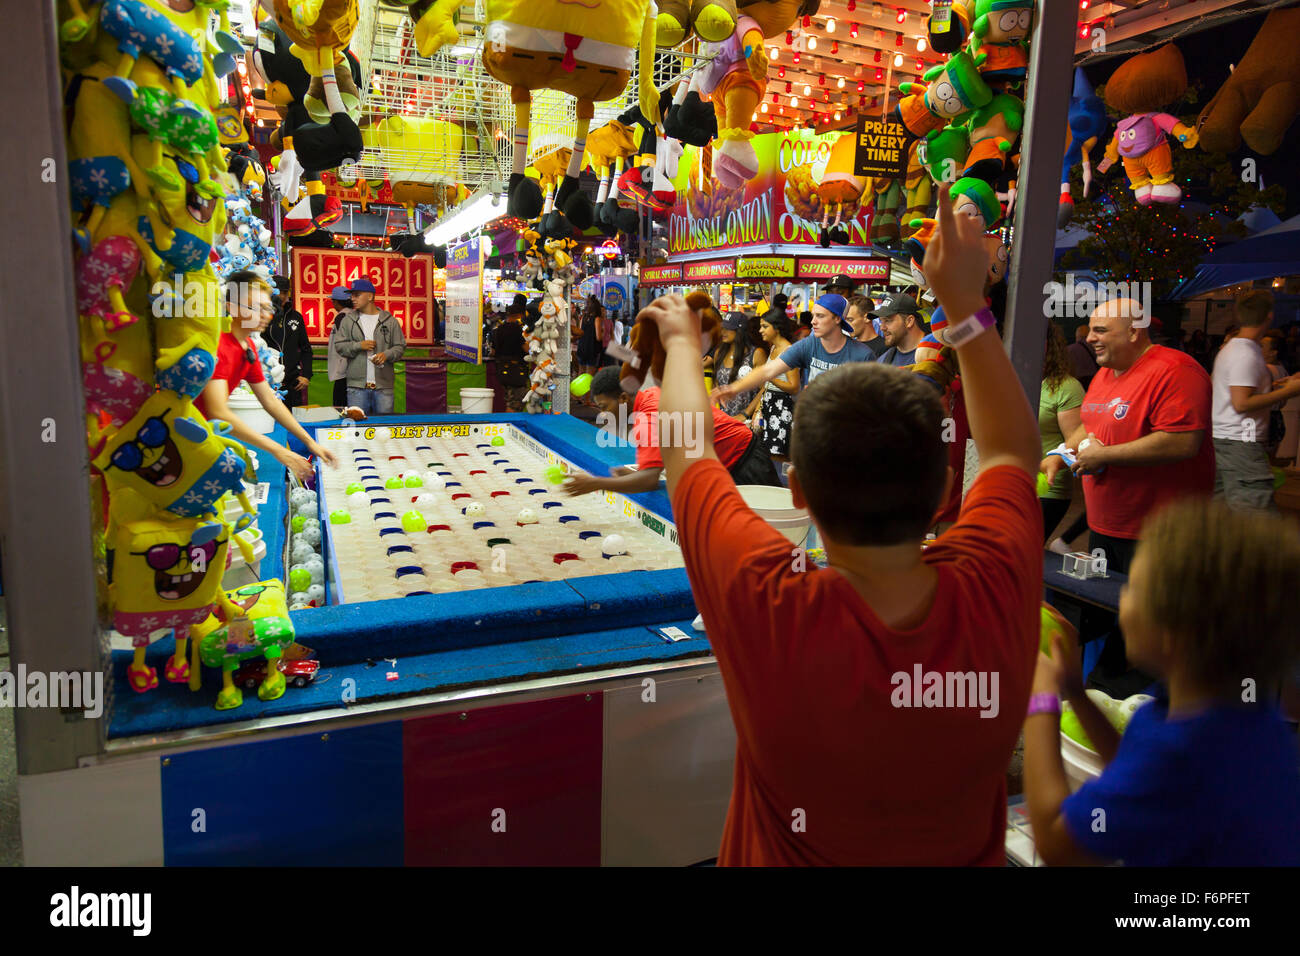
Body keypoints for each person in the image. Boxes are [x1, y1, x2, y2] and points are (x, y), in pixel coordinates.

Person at [635, 184, 1043, 864]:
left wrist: (680, 343)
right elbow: (1008, 452)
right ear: (945, 486)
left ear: (797, 491)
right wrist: (967, 305)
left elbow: (682, 448)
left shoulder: (769, 598)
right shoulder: (994, 585)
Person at [1024, 499, 1300, 865]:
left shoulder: (1179, 754)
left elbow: (1057, 844)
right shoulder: (1246, 717)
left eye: (1134, 588)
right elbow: (1131, 767)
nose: (1122, 598)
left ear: (1174, 633)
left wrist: (1040, 701)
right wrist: (1075, 692)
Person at [1041, 296, 1214, 576]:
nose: (1090, 338)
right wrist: (1060, 455)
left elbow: (1182, 442)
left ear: (1134, 331)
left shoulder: (1176, 370)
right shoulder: (1105, 374)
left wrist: (1104, 455)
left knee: (1150, 617)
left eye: (1101, 330)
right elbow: (1090, 424)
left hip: (1159, 532)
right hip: (1105, 526)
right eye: (1090, 330)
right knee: (1107, 611)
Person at [195, 270, 336, 481]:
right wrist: (279, 451)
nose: (266, 315)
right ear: (231, 307)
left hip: (204, 437)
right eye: (255, 308)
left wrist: (310, 443)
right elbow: (219, 412)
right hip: (182, 436)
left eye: (267, 307)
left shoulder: (248, 346)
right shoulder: (217, 344)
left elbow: (270, 399)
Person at [562, 366, 780, 496]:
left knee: (772, 523)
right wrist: (643, 472)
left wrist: (595, 484)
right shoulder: (650, 395)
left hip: (744, 458)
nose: (602, 415)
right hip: (727, 457)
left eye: (604, 407)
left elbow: (649, 481)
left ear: (623, 398)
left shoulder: (647, 420)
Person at [1210, 290, 1300, 511]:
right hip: (1241, 442)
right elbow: (1241, 403)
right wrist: (1291, 391)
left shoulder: (1235, 348)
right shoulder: (1245, 353)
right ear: (1269, 316)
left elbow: (1239, 393)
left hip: (1226, 440)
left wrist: (1279, 385)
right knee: (1260, 524)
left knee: (1223, 516)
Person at [713, 294, 873, 403]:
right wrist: (733, 388)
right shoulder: (809, 344)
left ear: (837, 318)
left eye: (820, 316)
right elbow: (767, 370)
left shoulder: (863, 355)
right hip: (813, 428)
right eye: (813, 315)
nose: (813, 322)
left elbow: (870, 404)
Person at [1038, 325, 1084, 543]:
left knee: (1020, 556)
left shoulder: (1066, 387)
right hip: (1009, 481)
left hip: (1046, 488)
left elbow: (1075, 445)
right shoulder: (1012, 380)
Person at [333, 277, 406, 415]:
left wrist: (386, 355)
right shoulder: (348, 320)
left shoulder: (389, 321)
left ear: (370, 296)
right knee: (357, 430)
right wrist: (358, 346)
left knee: (384, 430)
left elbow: (400, 346)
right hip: (356, 387)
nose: (352, 298)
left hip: (384, 387)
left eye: (357, 295)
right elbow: (339, 346)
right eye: (352, 295)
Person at [754, 311, 799, 464]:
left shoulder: (789, 351)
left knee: (777, 456)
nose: (760, 330)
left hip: (781, 407)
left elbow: (794, 387)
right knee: (768, 453)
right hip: (769, 404)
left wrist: (770, 378)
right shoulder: (773, 348)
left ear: (777, 328)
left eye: (765, 326)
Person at [265, 275, 312, 408]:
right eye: (280, 292)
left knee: (293, 422)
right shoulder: (261, 316)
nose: (284, 297)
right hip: (268, 381)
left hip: (293, 383)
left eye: (286, 292)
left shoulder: (296, 317)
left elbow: (306, 349)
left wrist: (307, 375)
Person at [711, 312, 766, 421]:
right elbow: (716, 384)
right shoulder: (719, 353)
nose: (723, 332)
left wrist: (745, 414)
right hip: (723, 419)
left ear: (740, 331)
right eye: (723, 328)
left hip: (746, 421)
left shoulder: (756, 354)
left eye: (728, 328)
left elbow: (764, 389)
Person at [1263, 330, 1300, 463]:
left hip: (1265, 418)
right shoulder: (1281, 368)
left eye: (1262, 346)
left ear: (1273, 352)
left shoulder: (1265, 369)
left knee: (1258, 457)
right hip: (1277, 417)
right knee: (1269, 459)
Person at [493, 297, 529, 412]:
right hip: (516, 370)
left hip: (502, 369)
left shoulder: (498, 329)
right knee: (515, 401)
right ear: (519, 315)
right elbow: (526, 349)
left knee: (510, 398)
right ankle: (511, 424)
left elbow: (493, 351)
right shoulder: (517, 330)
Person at [872, 293, 927, 367]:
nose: (882, 327)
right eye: (881, 321)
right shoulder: (883, 361)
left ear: (909, 321)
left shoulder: (934, 354)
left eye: (888, 320)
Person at [324, 286, 353, 407]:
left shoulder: (342, 317)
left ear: (336, 301)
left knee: (341, 407)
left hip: (344, 371)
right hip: (350, 370)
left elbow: (345, 343)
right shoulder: (354, 315)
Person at [846, 294, 888, 359]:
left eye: (850, 320)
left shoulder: (885, 348)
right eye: (845, 320)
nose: (846, 324)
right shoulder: (847, 345)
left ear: (867, 318)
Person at [574, 294, 603, 379]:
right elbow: (598, 337)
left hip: (582, 347)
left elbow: (580, 332)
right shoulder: (597, 319)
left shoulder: (583, 317)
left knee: (581, 372)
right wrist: (602, 332)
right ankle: (588, 392)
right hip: (592, 349)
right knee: (590, 375)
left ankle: (579, 391)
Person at [1065, 322, 1098, 389]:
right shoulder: (1098, 348)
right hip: (1095, 381)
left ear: (1077, 336)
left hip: (1077, 384)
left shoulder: (1069, 349)